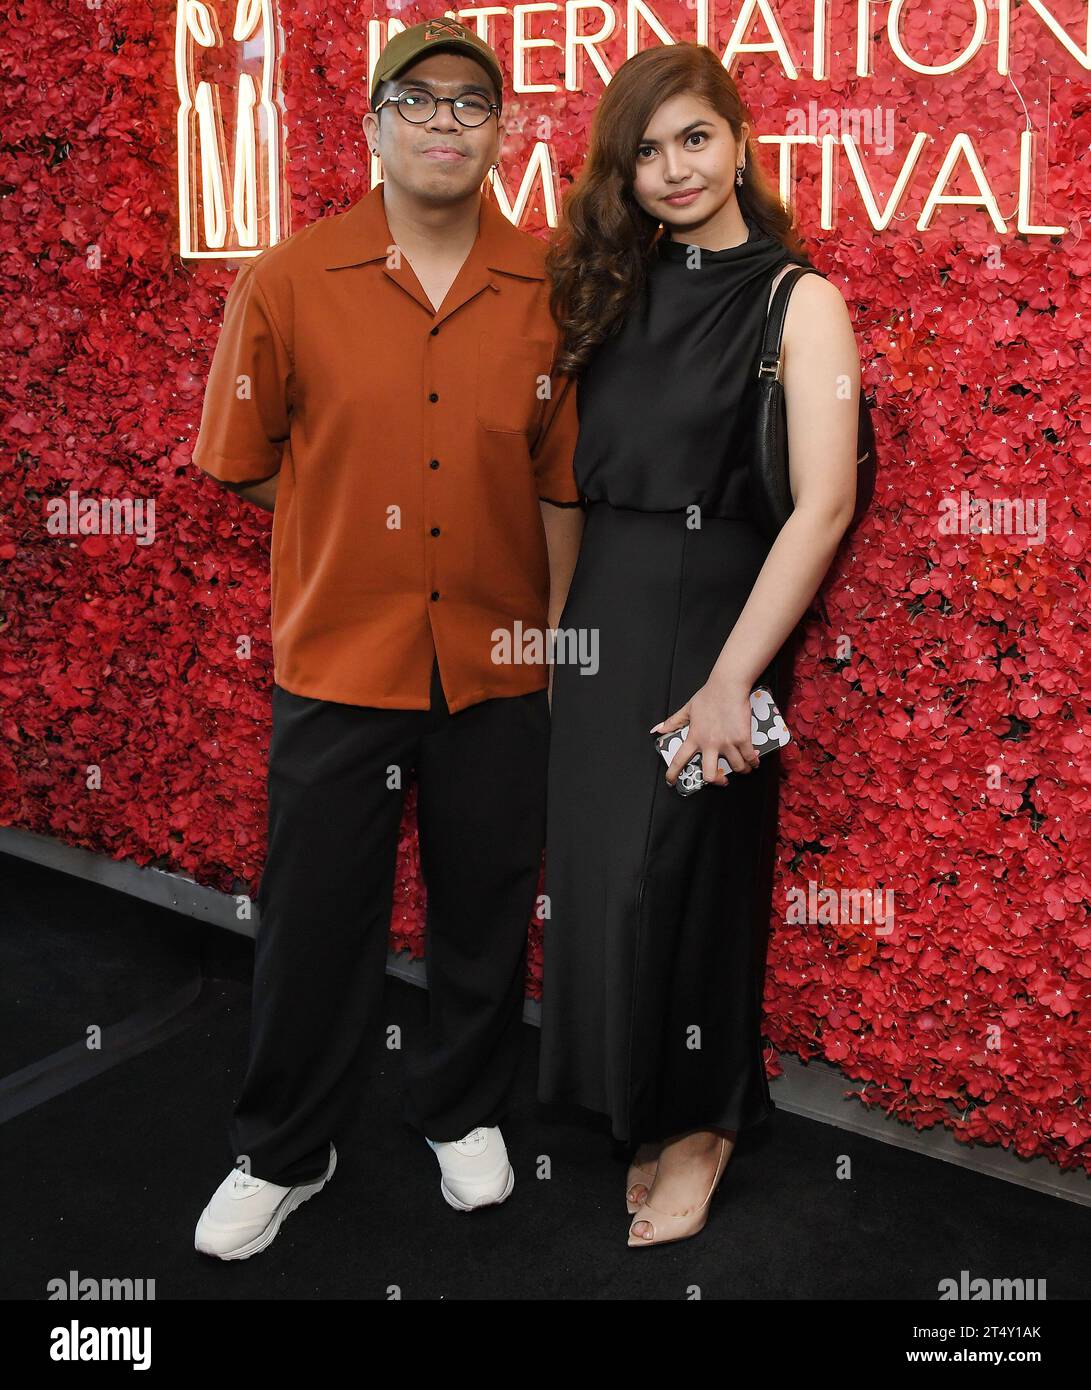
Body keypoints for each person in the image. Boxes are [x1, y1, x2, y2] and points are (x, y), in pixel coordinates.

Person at [190, 17, 585, 1259]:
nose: (445, 124)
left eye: (473, 106)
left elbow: (558, 490)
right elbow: (251, 468)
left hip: (498, 667)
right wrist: (349, 536)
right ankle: (282, 1150)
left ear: (500, 134)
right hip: (338, 661)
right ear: (372, 124)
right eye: (418, 102)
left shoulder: (546, 291)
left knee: (483, 905)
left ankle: (462, 1111)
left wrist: (553, 649)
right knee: (315, 917)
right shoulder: (290, 277)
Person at [537, 42, 862, 1247]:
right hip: (605, 613)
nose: (671, 169)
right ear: (618, 175)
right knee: (604, 889)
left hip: (719, 620)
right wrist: (559, 647)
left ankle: (702, 1124)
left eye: (692, 138)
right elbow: (569, 489)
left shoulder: (798, 299)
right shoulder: (609, 292)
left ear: (736, 141)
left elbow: (821, 505)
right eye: (643, 151)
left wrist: (734, 678)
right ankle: (641, 1111)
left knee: (685, 881)